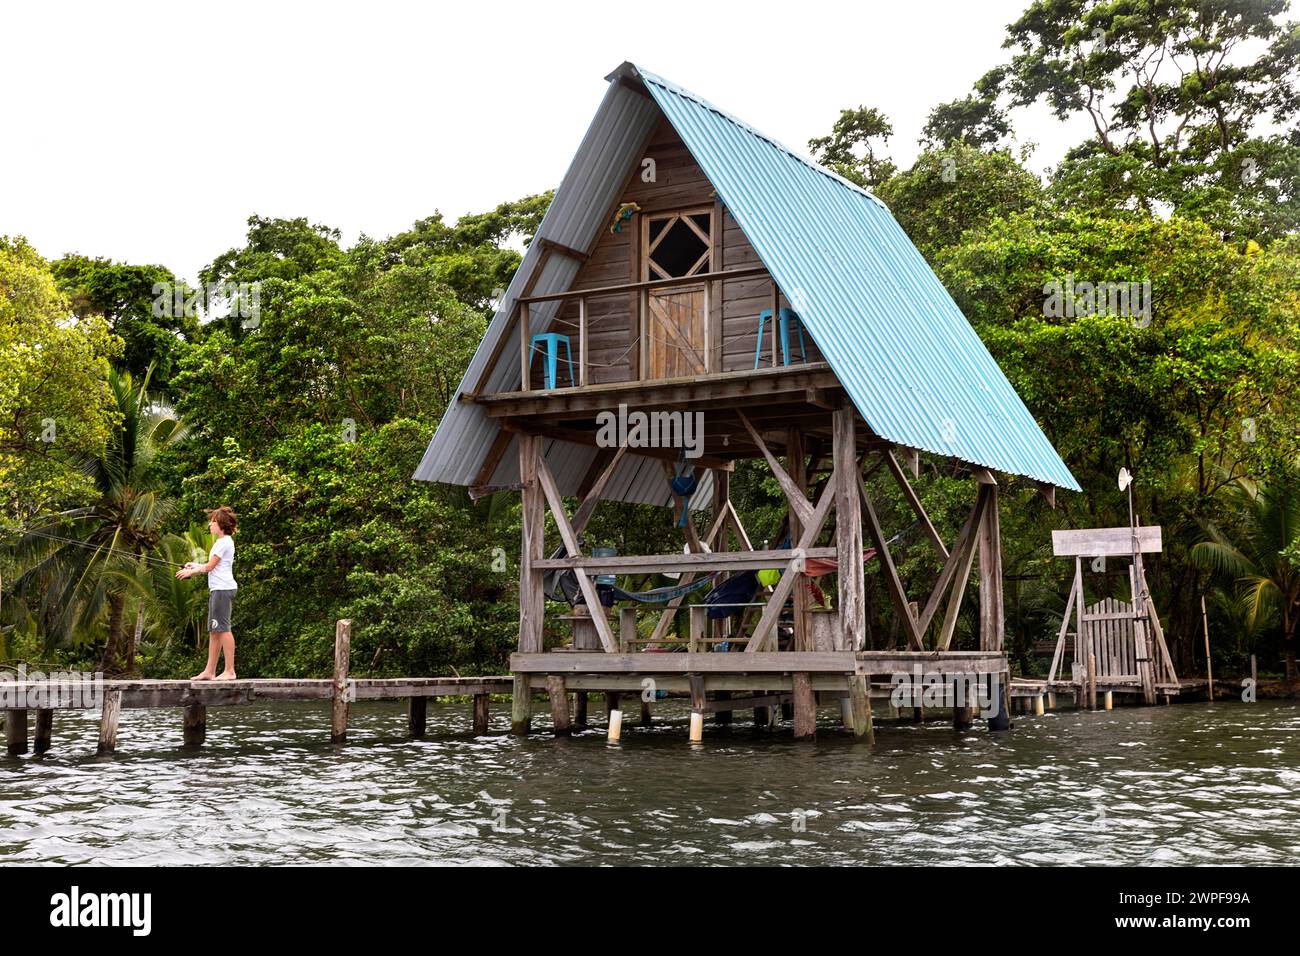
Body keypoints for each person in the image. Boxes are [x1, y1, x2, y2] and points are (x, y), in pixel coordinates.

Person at [177, 506, 239, 681]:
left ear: (220, 525)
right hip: (218, 589)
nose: (210, 525)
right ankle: (209, 671)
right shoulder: (221, 543)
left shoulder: (225, 542)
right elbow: (212, 565)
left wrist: (192, 572)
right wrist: (194, 566)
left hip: (222, 589)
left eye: (212, 522)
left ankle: (230, 671)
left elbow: (210, 567)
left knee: (224, 629)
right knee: (214, 630)